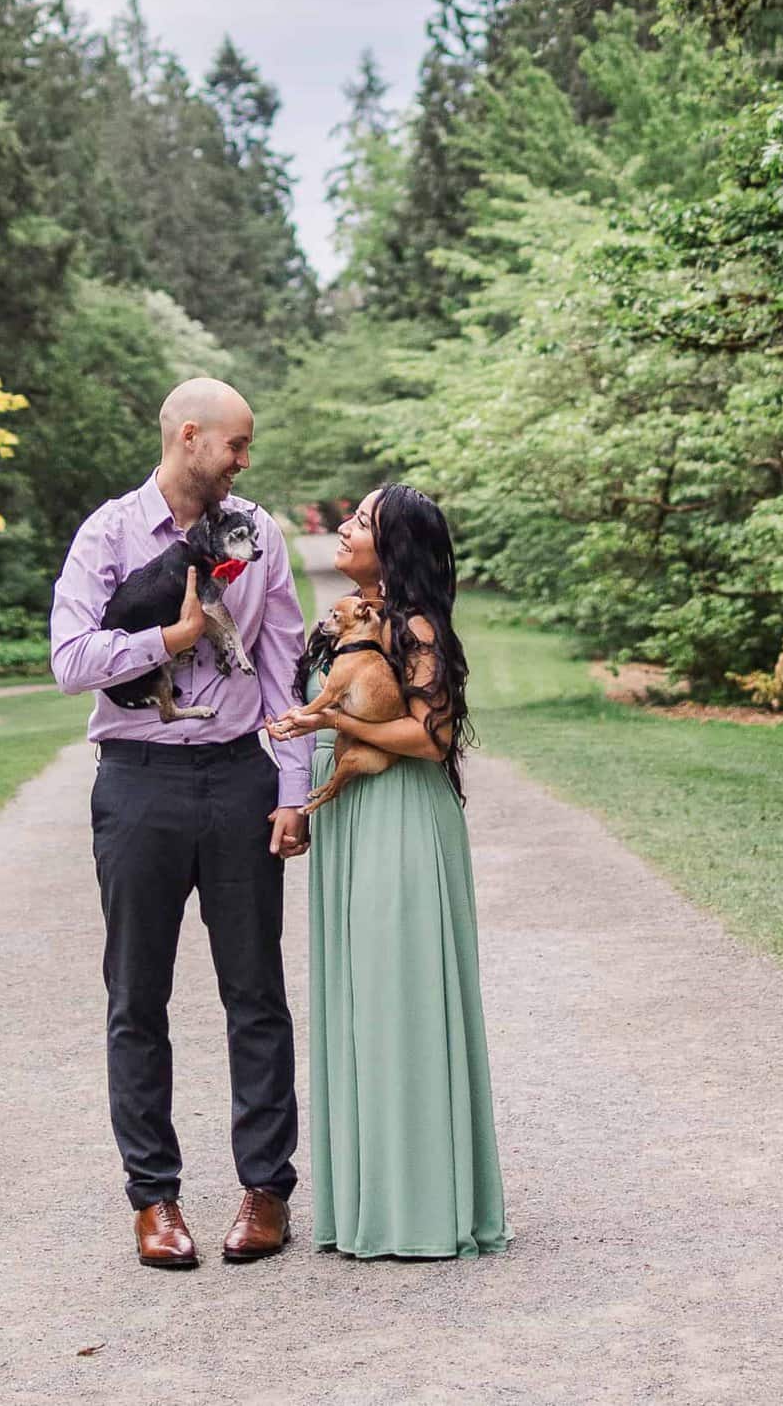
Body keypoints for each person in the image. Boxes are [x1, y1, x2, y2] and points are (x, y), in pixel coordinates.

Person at [48, 377, 311, 1271]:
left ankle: (265, 1189)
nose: (244, 461)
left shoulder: (261, 534)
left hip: (240, 777)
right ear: (189, 437)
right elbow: (71, 657)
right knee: (137, 999)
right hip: (138, 784)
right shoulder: (109, 534)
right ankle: (154, 1200)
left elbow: (282, 663)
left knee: (256, 994)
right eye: (235, 445)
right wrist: (168, 640)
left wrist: (291, 789)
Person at [266, 481, 507, 1260]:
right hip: (353, 819)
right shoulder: (350, 625)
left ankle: (421, 1210)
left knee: (400, 996)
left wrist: (330, 718)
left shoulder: (415, 625)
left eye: (362, 521)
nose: (344, 527)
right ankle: (370, 1202)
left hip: (401, 818)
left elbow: (430, 737)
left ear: (393, 544)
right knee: (360, 999)